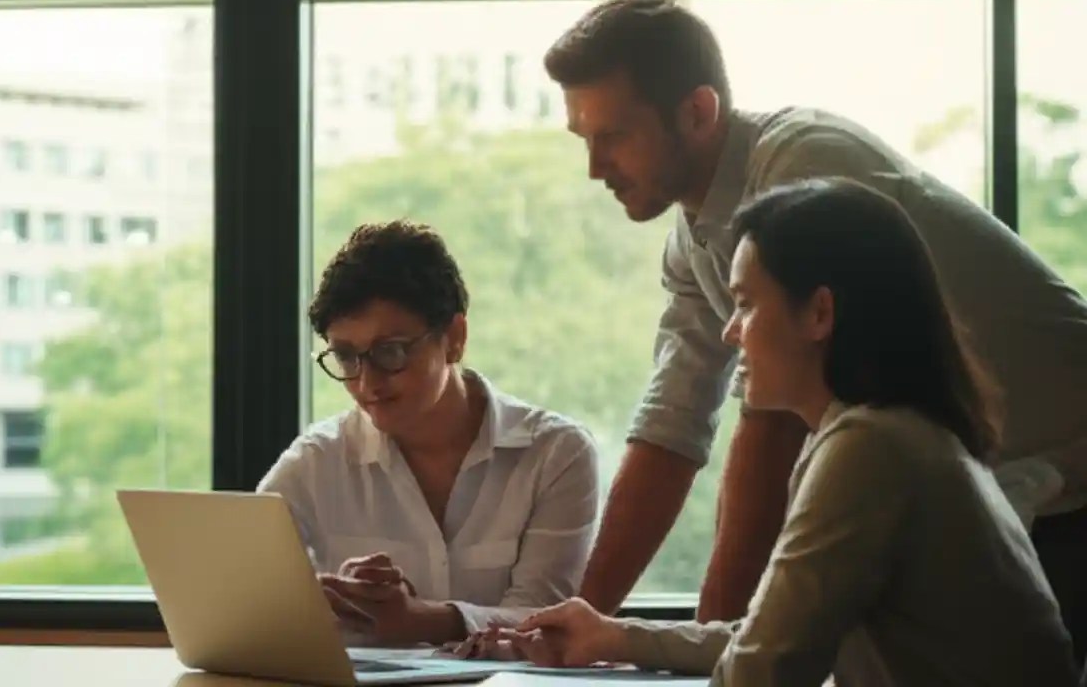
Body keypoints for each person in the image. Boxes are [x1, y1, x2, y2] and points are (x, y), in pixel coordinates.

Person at [544, 0, 1087, 665]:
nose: (594, 167)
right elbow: (670, 427)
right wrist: (578, 624)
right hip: (993, 484)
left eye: (613, 136)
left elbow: (770, 421)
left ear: (698, 112)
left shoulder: (800, 175)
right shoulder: (695, 239)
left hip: (1068, 470)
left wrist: (719, 648)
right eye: (584, 139)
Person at [462, 179, 1079, 686]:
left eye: (747, 304)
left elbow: (766, 672)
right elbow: (770, 635)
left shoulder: (871, 448)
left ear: (819, 313)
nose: (733, 332)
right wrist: (613, 634)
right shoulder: (889, 431)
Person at [257, 219, 599, 646]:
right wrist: (328, 598)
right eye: (345, 358)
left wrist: (422, 619)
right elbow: (245, 594)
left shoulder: (555, 455)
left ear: (454, 338)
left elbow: (543, 619)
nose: (367, 384)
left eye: (390, 352)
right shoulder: (314, 463)